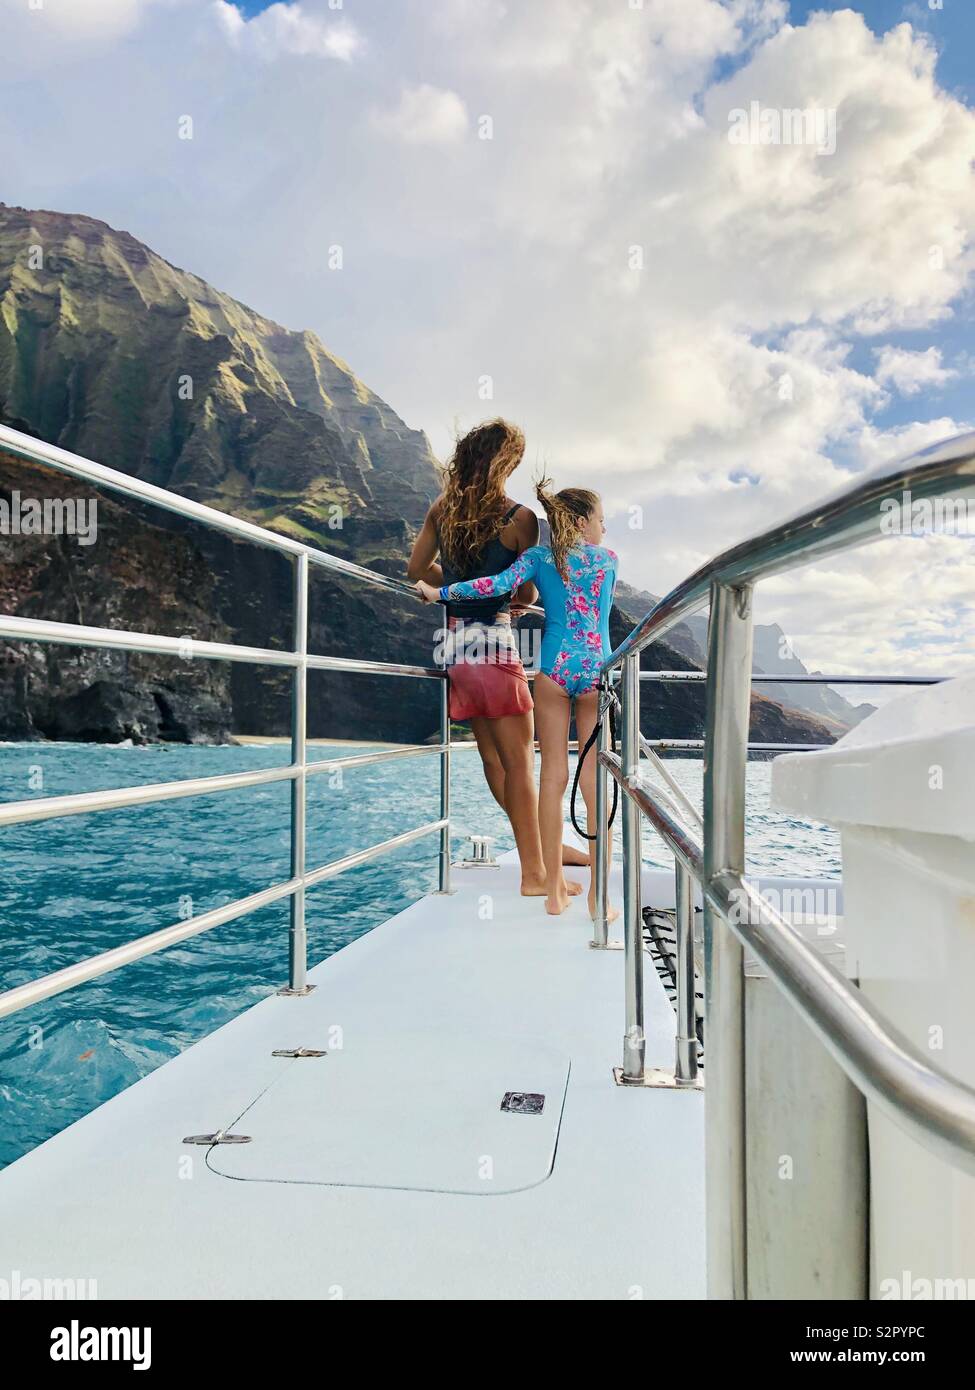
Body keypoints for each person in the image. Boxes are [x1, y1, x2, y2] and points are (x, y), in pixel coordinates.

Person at [418, 479, 618, 920]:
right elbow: (598, 615)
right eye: (602, 520)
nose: (605, 528)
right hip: (596, 672)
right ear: (583, 523)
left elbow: (493, 586)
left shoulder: (538, 557)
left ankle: (552, 892)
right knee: (593, 783)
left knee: (551, 777)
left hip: (553, 673)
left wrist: (441, 593)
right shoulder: (608, 561)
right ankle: (598, 899)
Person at [407, 420, 586, 897]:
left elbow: (416, 569)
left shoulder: (442, 509)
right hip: (493, 643)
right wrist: (517, 593)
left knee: (493, 760)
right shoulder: (518, 517)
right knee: (521, 764)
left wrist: (450, 584)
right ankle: (535, 873)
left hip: (453, 645)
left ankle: (546, 851)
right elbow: (523, 586)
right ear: (506, 463)